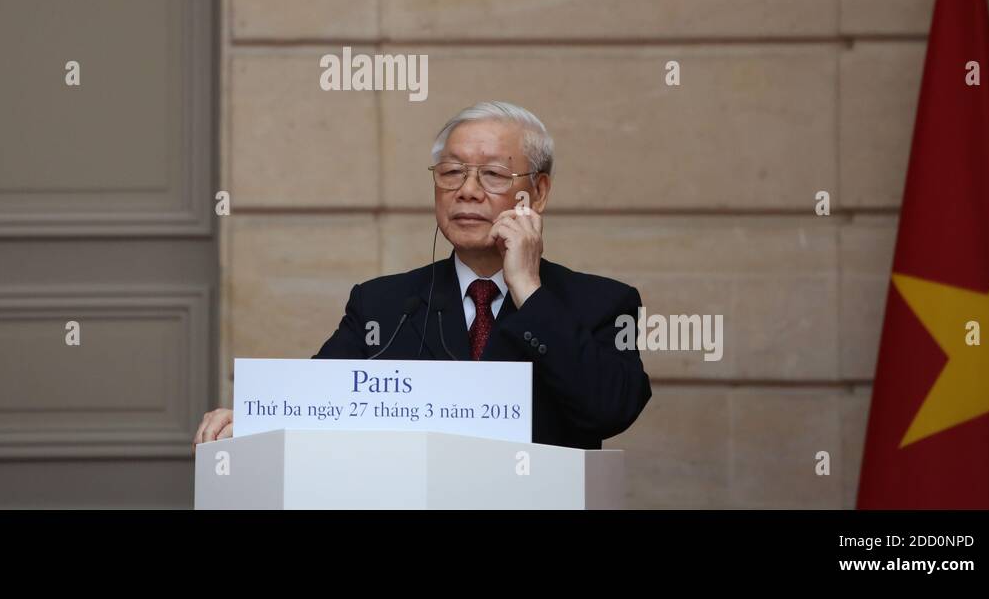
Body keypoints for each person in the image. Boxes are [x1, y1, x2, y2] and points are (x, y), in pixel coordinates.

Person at [194, 100, 651, 449]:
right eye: (451, 172)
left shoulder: (600, 303)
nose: (467, 191)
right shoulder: (383, 305)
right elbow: (319, 402)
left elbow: (609, 410)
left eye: (493, 174)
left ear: (539, 192)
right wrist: (251, 423)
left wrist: (529, 291)